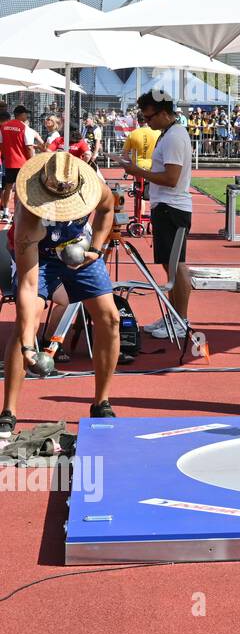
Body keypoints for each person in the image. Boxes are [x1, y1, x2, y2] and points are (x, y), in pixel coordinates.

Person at [0, 151, 121, 435]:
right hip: (40, 257)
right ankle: (8, 410)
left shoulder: (93, 186)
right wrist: (31, 346)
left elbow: (107, 209)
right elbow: (29, 287)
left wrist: (97, 249)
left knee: (111, 318)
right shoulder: (28, 216)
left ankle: (101, 401)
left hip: (79, 251)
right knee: (24, 328)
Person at [117, 90, 193, 340]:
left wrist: (137, 170)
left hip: (172, 207)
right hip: (168, 206)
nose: (146, 122)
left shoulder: (173, 137)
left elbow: (171, 178)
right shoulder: (169, 134)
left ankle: (181, 319)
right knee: (170, 265)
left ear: (162, 113)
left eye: (148, 117)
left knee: (176, 265)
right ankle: (175, 314)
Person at [1, 105, 41, 224]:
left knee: (7, 187)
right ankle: (17, 214)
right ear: (20, 114)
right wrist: (32, 162)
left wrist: (6, 155)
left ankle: (5, 212)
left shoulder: (3, 126)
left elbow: (1, 144)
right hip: (22, 163)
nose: (27, 116)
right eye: (25, 114)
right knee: (19, 189)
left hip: (9, 162)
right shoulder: (25, 128)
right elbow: (29, 147)